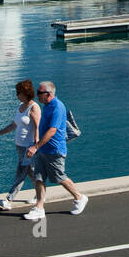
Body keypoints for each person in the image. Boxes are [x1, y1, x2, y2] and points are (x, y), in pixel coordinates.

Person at [23, 81, 87, 219]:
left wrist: (35, 147)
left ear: (49, 94)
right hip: (43, 149)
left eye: (39, 93)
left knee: (59, 177)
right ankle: (39, 208)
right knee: (38, 177)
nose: (37, 95)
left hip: (54, 150)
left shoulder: (57, 107)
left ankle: (79, 197)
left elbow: (52, 130)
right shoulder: (46, 106)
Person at [0, 79, 39, 211]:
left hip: (29, 146)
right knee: (31, 172)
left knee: (21, 171)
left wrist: (35, 146)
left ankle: (9, 199)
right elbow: (14, 125)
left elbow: (38, 127)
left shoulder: (34, 107)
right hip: (20, 146)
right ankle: (40, 195)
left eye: (19, 93)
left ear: (26, 93)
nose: (17, 95)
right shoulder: (20, 107)